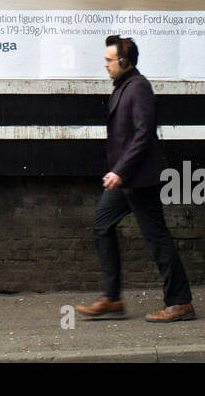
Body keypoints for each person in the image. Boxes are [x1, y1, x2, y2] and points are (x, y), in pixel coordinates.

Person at [76, 35, 195, 322]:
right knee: (103, 225)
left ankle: (180, 303)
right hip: (125, 179)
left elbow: (144, 135)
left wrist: (120, 170)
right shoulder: (122, 88)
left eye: (109, 59)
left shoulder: (139, 88)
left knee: (157, 238)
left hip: (137, 178)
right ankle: (113, 299)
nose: (104, 64)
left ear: (124, 61)